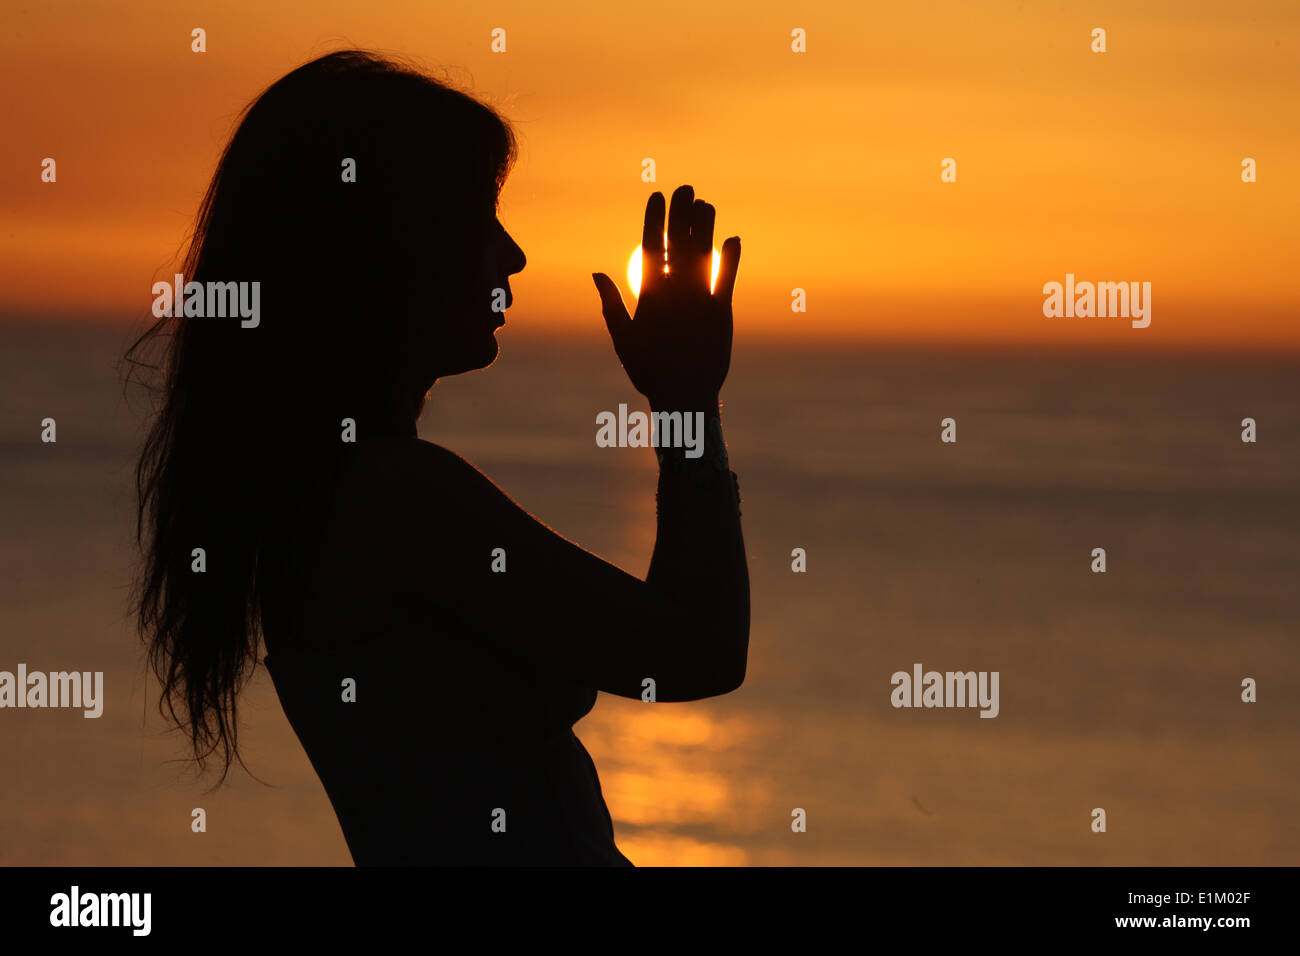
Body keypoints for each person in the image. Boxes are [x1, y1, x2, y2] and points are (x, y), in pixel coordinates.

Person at [127, 49, 749, 865]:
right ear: (387, 244)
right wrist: (687, 407)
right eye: (482, 216)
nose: (513, 254)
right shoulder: (389, 496)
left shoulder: (338, 490)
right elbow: (693, 652)